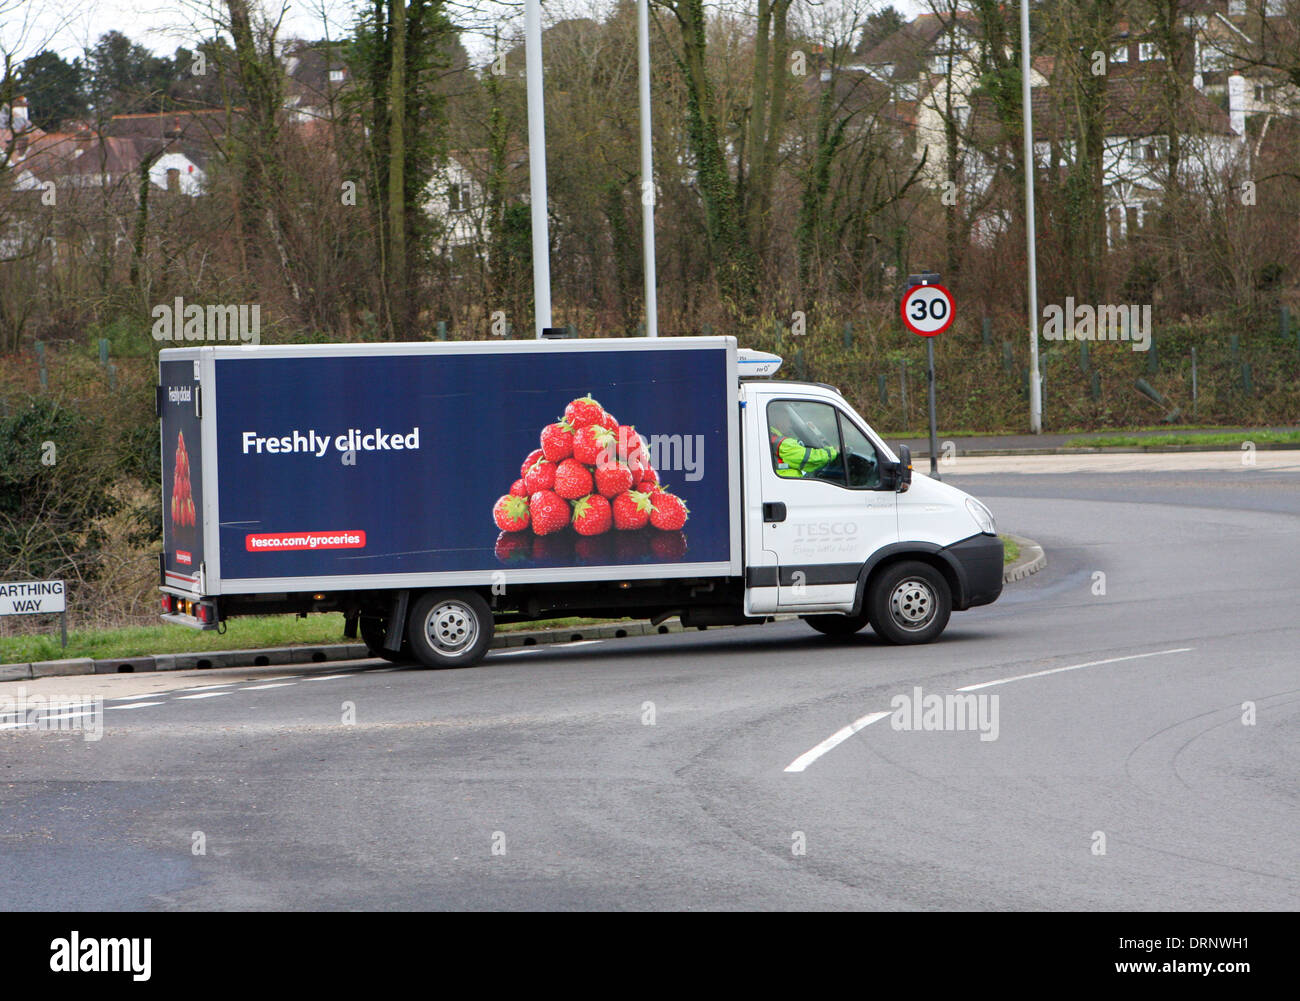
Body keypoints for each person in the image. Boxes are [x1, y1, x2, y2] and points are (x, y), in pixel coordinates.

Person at [769, 403, 840, 478]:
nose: (790, 424)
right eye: (787, 420)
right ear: (778, 421)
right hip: (790, 485)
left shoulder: (772, 436)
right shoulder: (782, 443)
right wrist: (834, 452)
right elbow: (810, 458)